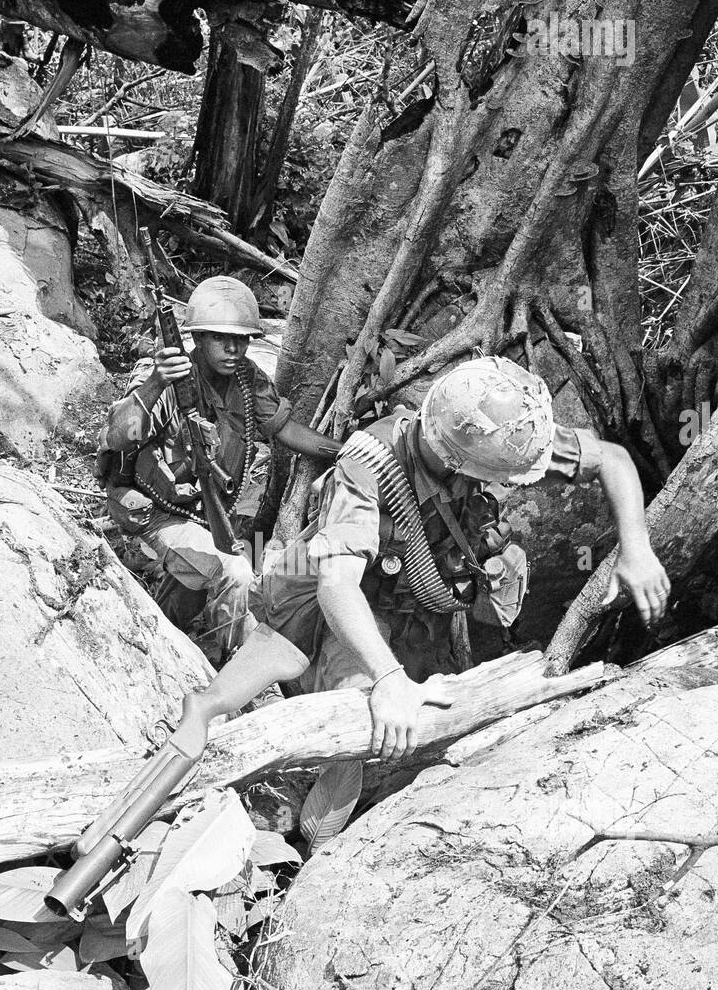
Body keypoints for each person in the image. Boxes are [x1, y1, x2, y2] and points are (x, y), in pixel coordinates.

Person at [251, 355, 671, 767]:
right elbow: (337, 585)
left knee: (456, 727)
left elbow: (611, 459)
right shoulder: (369, 467)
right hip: (355, 609)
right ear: (459, 462)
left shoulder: (495, 429)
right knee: (377, 742)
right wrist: (388, 679)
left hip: (425, 606)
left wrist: (636, 548)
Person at [97, 275, 340, 658]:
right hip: (157, 512)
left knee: (241, 566)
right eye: (219, 338)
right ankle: (237, 670)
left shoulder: (247, 379)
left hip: (209, 511)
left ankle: (160, 641)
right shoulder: (165, 378)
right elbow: (116, 436)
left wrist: (345, 451)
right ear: (197, 338)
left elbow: (286, 430)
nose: (233, 349)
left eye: (242, 339)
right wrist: (156, 384)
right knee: (237, 572)